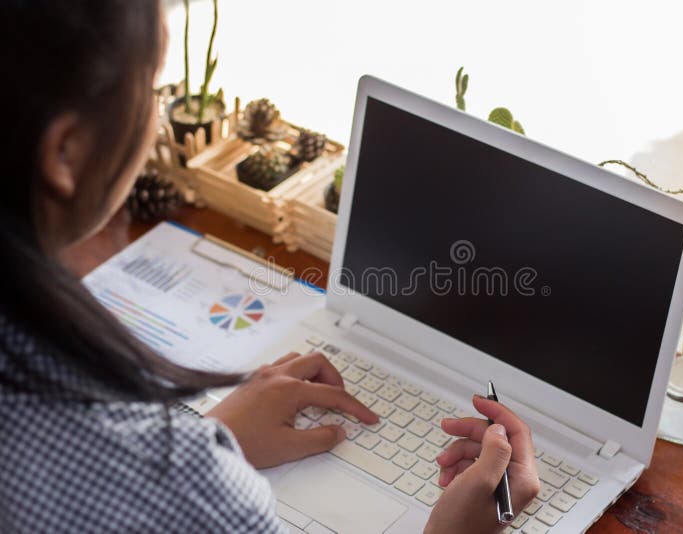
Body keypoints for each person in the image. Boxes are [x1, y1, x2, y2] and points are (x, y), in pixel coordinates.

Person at [0, 2, 540, 533]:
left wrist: (218, 437)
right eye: (152, 86)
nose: (159, 116)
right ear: (65, 153)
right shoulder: (183, 485)